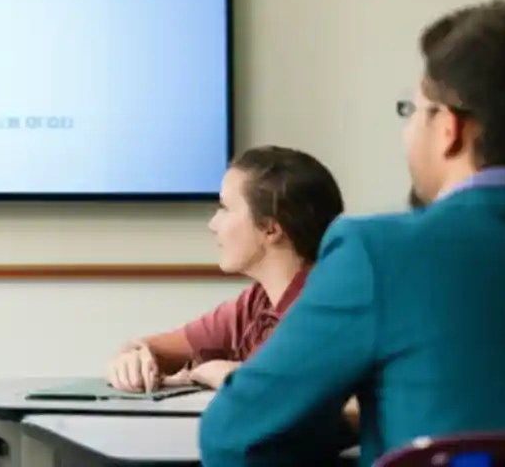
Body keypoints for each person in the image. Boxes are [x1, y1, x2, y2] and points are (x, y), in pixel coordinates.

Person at [200, 0, 505, 466]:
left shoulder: (379, 255)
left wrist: (348, 423)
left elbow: (235, 436)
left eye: (412, 110)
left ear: (448, 129)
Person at [107, 145, 344, 391]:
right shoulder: (256, 303)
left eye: (225, 208)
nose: (212, 224)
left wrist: (235, 376)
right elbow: (152, 347)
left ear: (271, 228)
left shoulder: (330, 309)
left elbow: (348, 403)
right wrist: (131, 360)